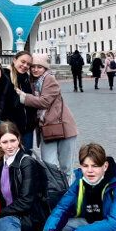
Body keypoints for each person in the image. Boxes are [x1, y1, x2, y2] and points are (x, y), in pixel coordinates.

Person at [19, 54, 78, 183]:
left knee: (66, 167)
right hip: (46, 129)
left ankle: (67, 196)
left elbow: (44, 102)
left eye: (39, 67)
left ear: (45, 68)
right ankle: (54, 194)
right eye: (33, 66)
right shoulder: (33, 82)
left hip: (64, 127)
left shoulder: (49, 79)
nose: (35, 69)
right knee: (49, 166)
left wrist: (24, 97)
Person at [7, 51, 37, 151]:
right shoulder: (5, 77)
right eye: (23, 62)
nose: (25, 66)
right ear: (15, 60)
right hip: (10, 130)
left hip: (27, 129)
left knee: (26, 160)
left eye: (28, 64)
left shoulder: (28, 80)